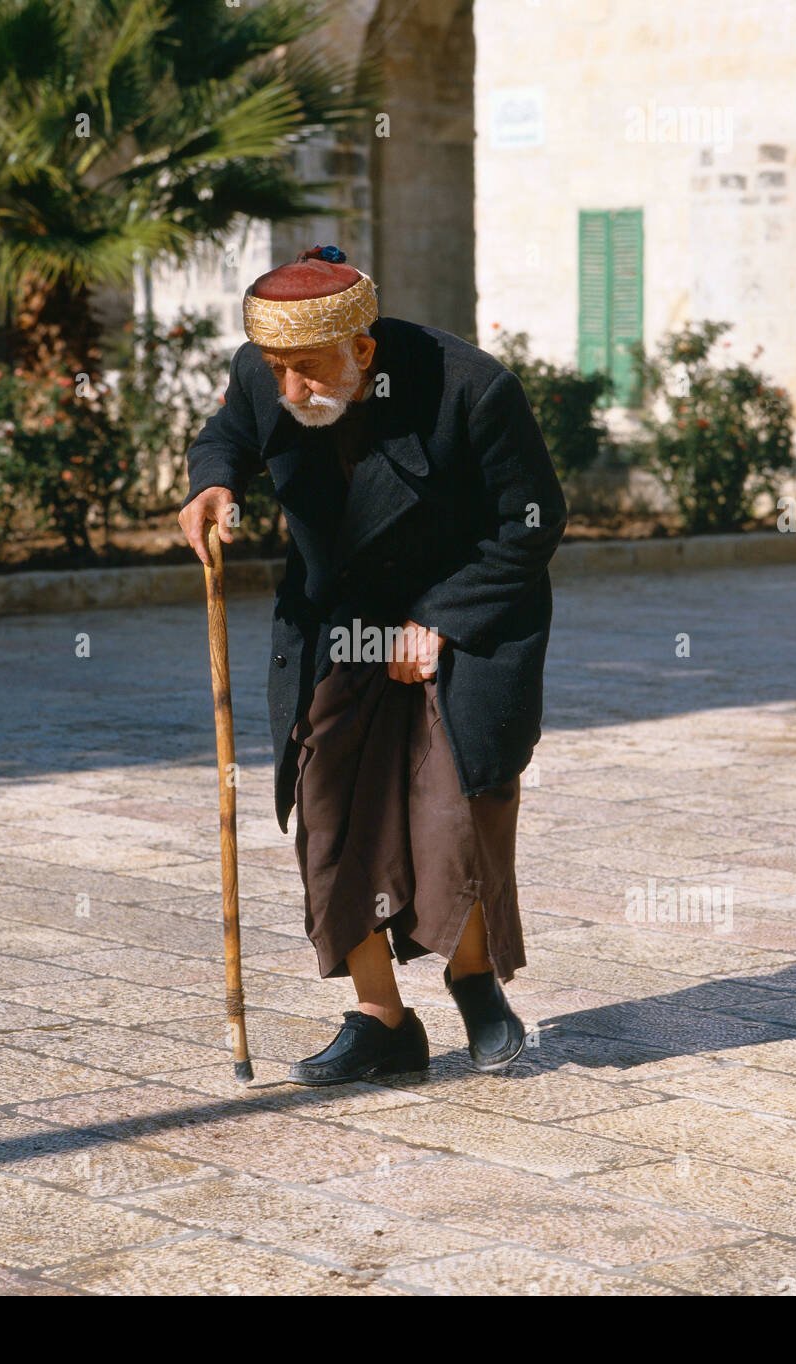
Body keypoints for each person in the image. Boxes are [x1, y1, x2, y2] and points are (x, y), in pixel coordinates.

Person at [178, 246, 566, 1085]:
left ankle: (475, 981)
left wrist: (441, 618)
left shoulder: (471, 389)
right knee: (327, 806)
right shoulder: (265, 374)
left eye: (308, 369)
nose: (290, 388)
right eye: (276, 368)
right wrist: (213, 483)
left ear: (363, 348)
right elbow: (228, 435)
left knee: (448, 809)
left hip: (457, 616)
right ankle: (381, 1018)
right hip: (337, 614)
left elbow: (532, 522)